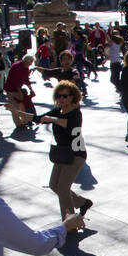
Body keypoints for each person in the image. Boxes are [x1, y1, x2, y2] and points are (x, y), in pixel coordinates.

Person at [11, 80, 93, 226]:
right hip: (62, 154)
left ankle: (70, 223)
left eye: (65, 96)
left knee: (63, 188)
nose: (62, 99)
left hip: (76, 155)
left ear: (73, 97)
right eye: (59, 96)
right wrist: (16, 112)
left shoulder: (75, 112)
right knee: (54, 184)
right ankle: (82, 202)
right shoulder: (58, 110)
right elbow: (37, 118)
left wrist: (53, 119)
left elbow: (70, 124)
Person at [3, 54, 36, 129]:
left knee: (21, 106)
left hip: (17, 89)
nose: (31, 64)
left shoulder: (26, 68)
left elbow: (26, 80)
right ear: (27, 61)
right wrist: (19, 92)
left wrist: (31, 89)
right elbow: (15, 80)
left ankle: (24, 121)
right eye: (30, 62)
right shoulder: (17, 67)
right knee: (15, 106)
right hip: (11, 89)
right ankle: (18, 124)